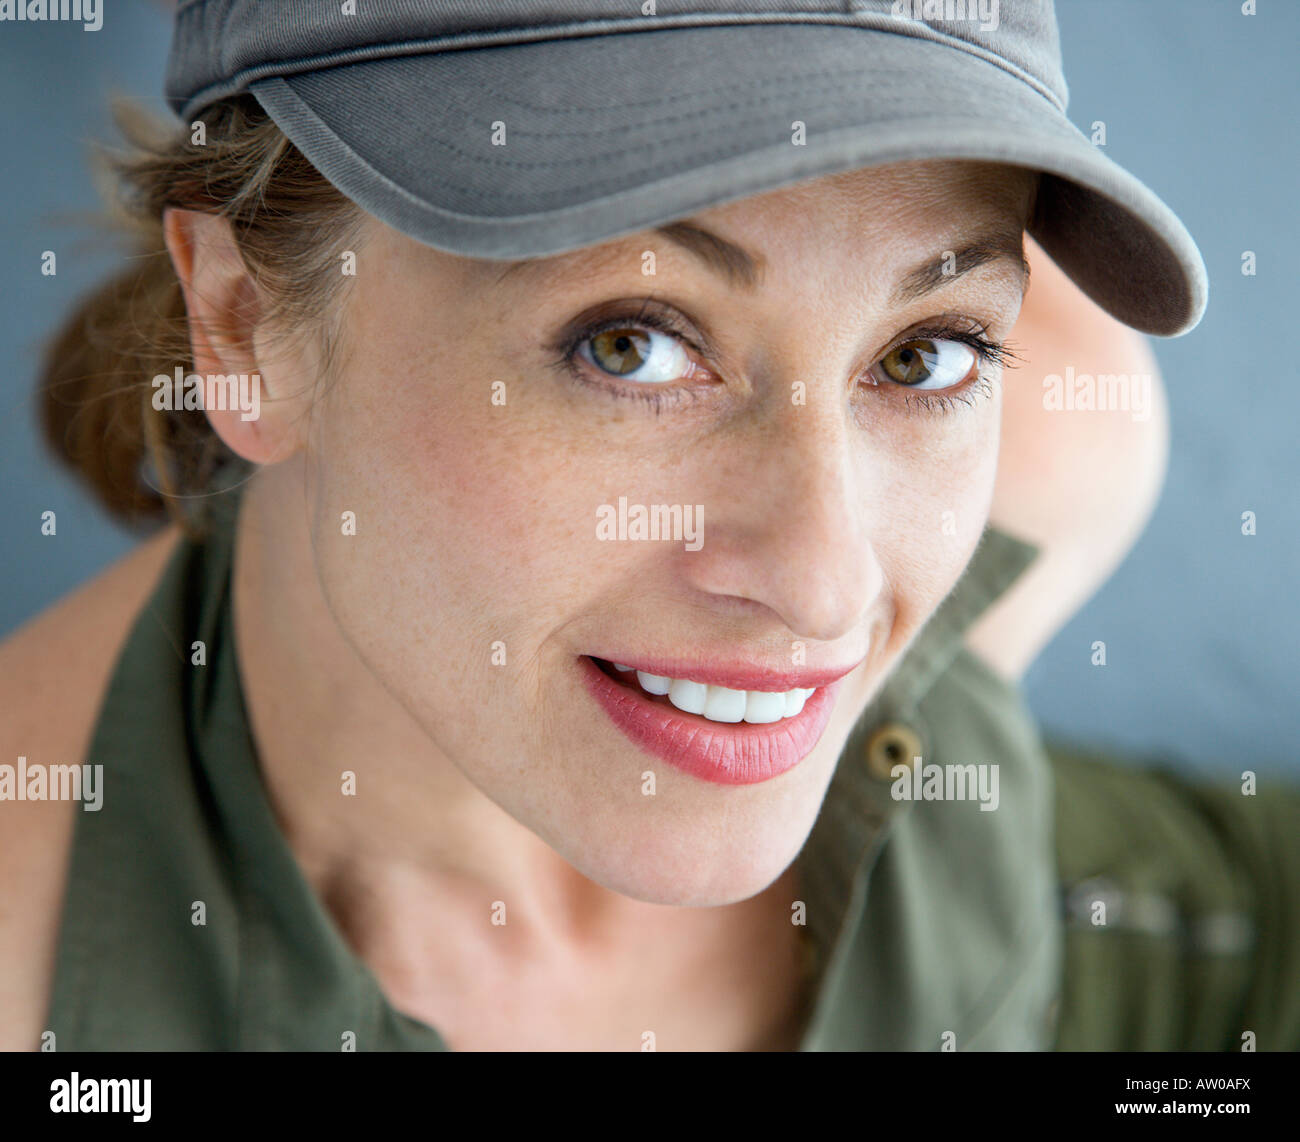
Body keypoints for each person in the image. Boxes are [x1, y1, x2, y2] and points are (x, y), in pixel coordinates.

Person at [2, 1, 1296, 1052]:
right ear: (241, 322)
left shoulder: (1061, 437)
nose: (825, 586)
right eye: (631, 343)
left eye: (923, 353)